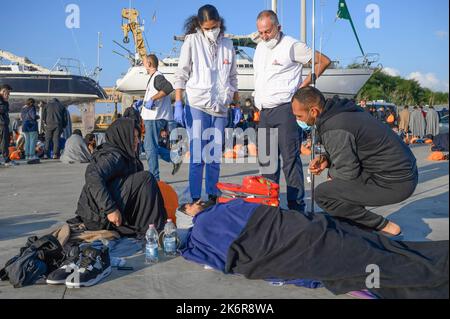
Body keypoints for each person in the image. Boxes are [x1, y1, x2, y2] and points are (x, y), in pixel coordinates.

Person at [178, 199, 449, 299]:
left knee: (368, 245)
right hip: (294, 243)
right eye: (190, 204)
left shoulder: (227, 206)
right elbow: (224, 254)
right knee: (368, 260)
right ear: (187, 216)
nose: (196, 202)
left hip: (302, 229)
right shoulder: (202, 228)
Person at [292, 87, 418, 236]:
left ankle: (383, 226)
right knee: (337, 184)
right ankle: (356, 221)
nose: (297, 120)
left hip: (396, 182)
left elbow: (347, 173)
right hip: (402, 172)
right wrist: (326, 159)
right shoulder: (341, 110)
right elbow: (354, 146)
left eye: (299, 116)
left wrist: (333, 177)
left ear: (313, 111)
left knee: (324, 194)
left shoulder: (334, 126)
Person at [253, 10, 331, 211]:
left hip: (285, 110)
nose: (264, 36)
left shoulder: (292, 45)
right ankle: (269, 205)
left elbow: (323, 61)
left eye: (268, 32)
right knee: (267, 163)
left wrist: (302, 87)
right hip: (264, 111)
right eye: (261, 32)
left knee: (290, 160)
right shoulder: (260, 48)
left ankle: (296, 207)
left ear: (278, 27)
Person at [174, 4, 239, 203]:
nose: (211, 30)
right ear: (200, 26)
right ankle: (195, 196)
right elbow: (181, 74)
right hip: (197, 104)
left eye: (214, 26)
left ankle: (212, 193)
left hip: (220, 107)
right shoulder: (191, 42)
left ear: (219, 23)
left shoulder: (228, 45)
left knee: (213, 154)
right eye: (207, 28)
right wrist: (178, 102)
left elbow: (234, 78)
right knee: (197, 154)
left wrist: (236, 105)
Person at [74, 118, 167, 237]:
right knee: (146, 178)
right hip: (97, 216)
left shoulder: (126, 156)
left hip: (103, 212)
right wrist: (110, 209)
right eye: (133, 137)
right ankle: (152, 232)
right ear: (123, 136)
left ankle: (151, 229)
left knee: (143, 179)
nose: (137, 141)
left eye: (138, 137)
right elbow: (92, 176)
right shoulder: (113, 155)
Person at [141, 54, 181, 179]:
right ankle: (174, 158)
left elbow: (168, 88)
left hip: (154, 118)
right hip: (153, 117)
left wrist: (152, 99)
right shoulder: (154, 77)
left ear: (149, 64)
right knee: (150, 146)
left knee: (149, 147)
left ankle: (155, 178)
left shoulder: (157, 77)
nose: (143, 66)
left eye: (144, 63)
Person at [0, 84, 18, 166]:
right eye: (8, 93)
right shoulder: (2, 101)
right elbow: (2, 110)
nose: (8, 95)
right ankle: (6, 160)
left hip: (3, 123)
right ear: (3, 91)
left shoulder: (3, 101)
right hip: (2, 124)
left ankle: (5, 159)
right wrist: (5, 102)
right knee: (4, 142)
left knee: (4, 142)